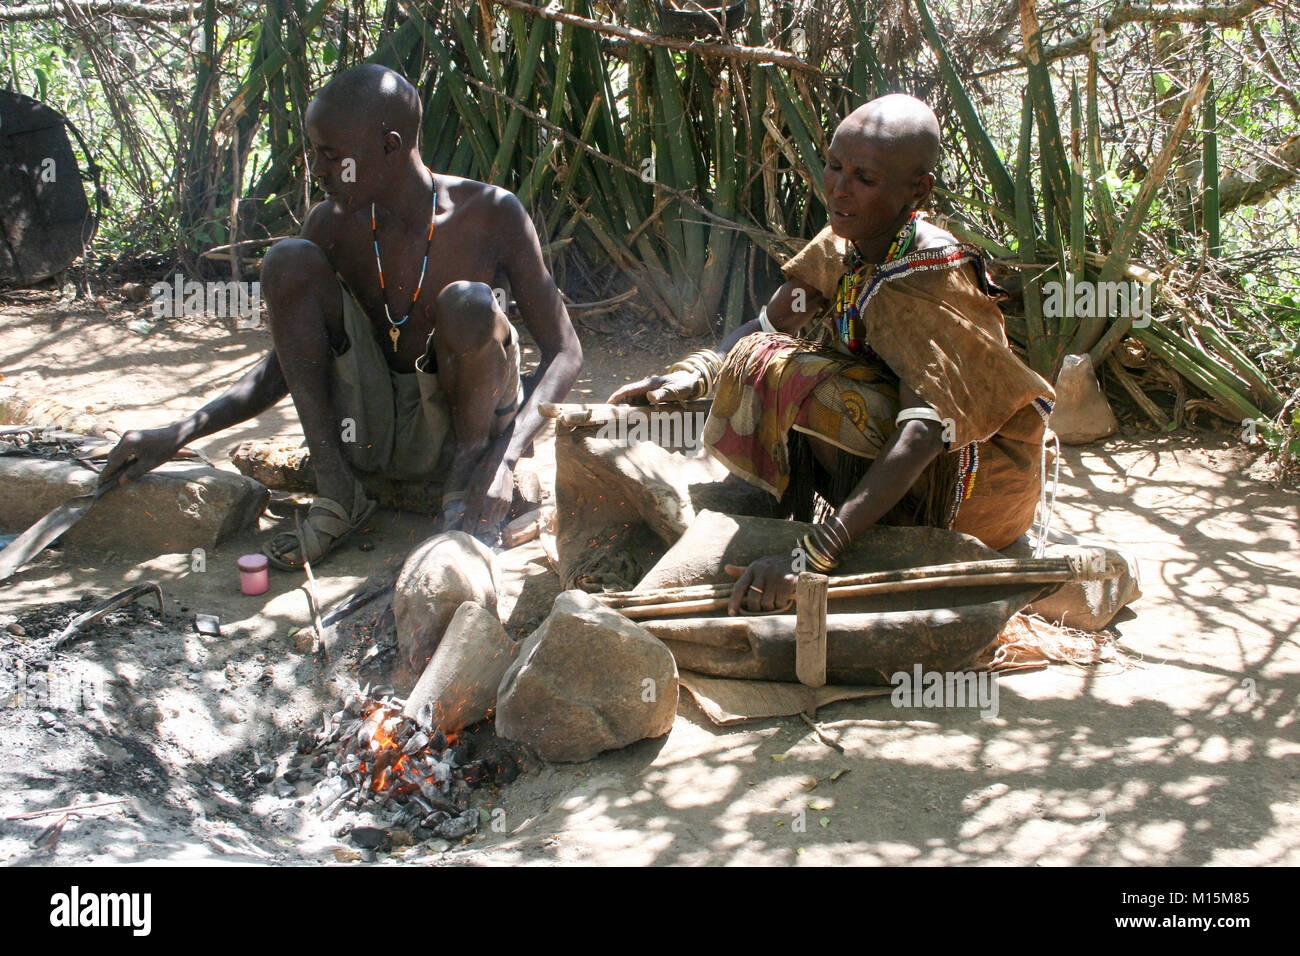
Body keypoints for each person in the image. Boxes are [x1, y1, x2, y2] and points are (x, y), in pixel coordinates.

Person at [102, 64, 583, 566]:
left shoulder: (489, 213)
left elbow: (566, 352)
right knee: (287, 259)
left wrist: (502, 460)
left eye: (331, 156)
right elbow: (286, 364)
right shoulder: (332, 224)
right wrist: (179, 432)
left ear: (390, 147)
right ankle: (338, 492)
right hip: (371, 432)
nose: (319, 171)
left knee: (468, 304)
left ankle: (463, 489)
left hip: (461, 436)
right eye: (315, 155)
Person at [610, 94, 1055, 615]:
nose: (839, 189)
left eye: (865, 179)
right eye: (834, 166)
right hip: (908, 455)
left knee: (809, 379)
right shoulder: (849, 242)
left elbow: (924, 430)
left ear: (918, 189)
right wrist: (692, 374)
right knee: (771, 355)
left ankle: (860, 534)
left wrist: (813, 556)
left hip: (973, 491)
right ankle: (823, 513)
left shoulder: (927, 278)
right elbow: (771, 324)